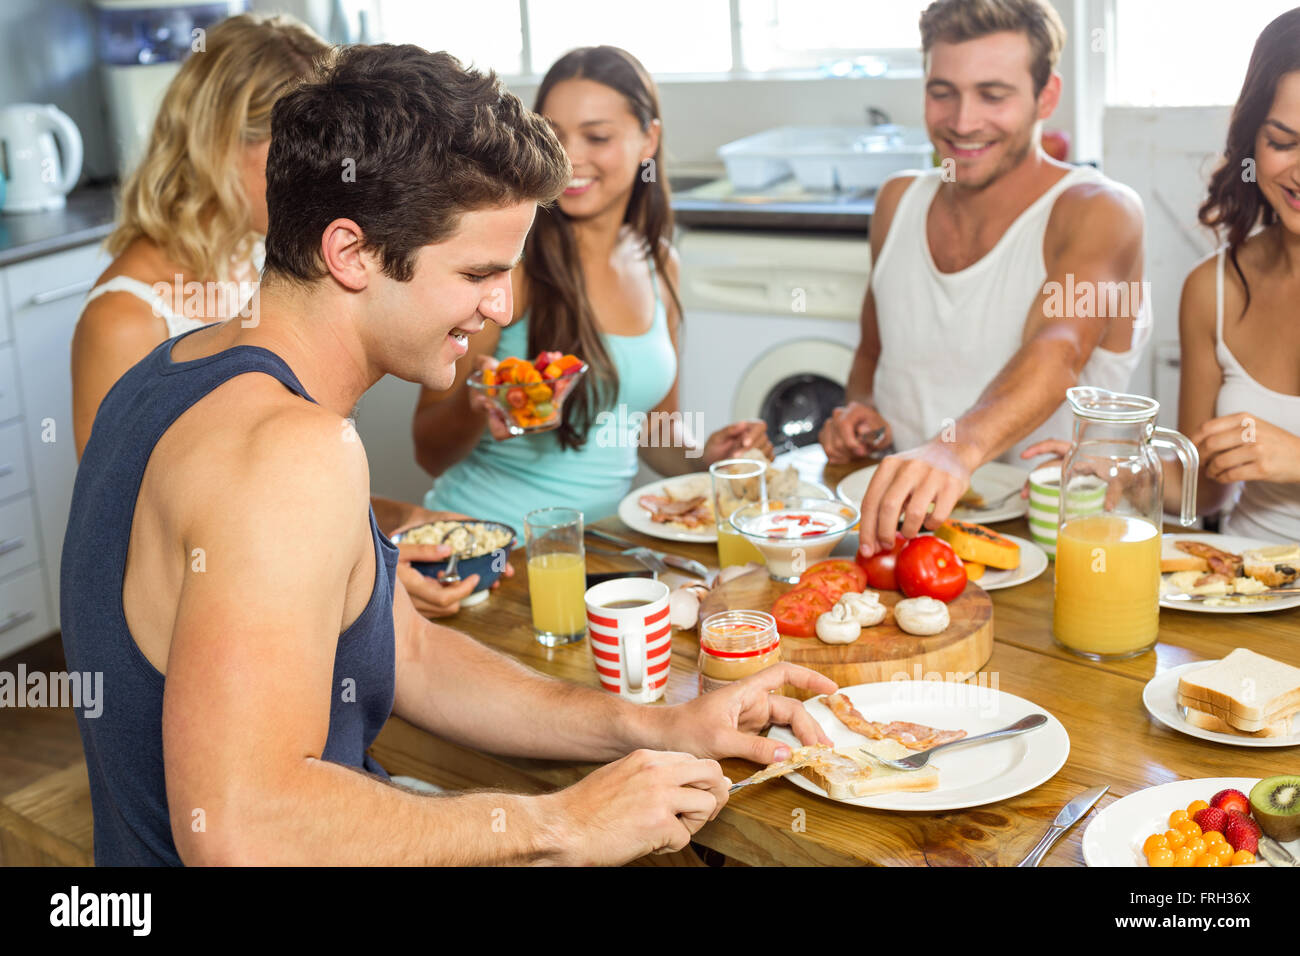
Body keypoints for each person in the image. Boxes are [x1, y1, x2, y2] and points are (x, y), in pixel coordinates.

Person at [59, 43, 833, 866]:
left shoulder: (180, 371)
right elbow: (246, 829)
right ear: (350, 253)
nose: (499, 305)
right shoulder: (290, 454)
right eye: (477, 272)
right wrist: (560, 823)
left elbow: (414, 654)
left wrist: (657, 724)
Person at [70, 13, 482, 617]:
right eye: (298, 148)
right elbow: (134, 533)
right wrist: (370, 574)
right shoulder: (126, 318)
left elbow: (272, 479)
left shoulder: (263, 262)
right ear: (218, 142)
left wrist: (393, 523)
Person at [816, 0, 1149, 556]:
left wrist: (952, 449)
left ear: (1047, 96)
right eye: (942, 91)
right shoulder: (898, 200)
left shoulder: (1099, 210)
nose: (963, 121)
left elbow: (1060, 348)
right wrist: (861, 416)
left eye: (993, 95)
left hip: (1053, 545)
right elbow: (874, 354)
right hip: (900, 538)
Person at [413, 46, 771, 532]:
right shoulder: (509, 264)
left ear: (649, 140)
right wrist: (480, 398)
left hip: (598, 551)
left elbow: (646, 428)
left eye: (597, 136)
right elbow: (429, 452)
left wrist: (706, 459)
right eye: (554, 136)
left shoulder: (659, 263)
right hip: (486, 548)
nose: (571, 158)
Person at [1176, 7, 1300, 539]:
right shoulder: (1213, 289)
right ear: (1251, 140)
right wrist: (1113, 467)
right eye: (1283, 142)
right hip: (1241, 592)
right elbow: (1203, 490)